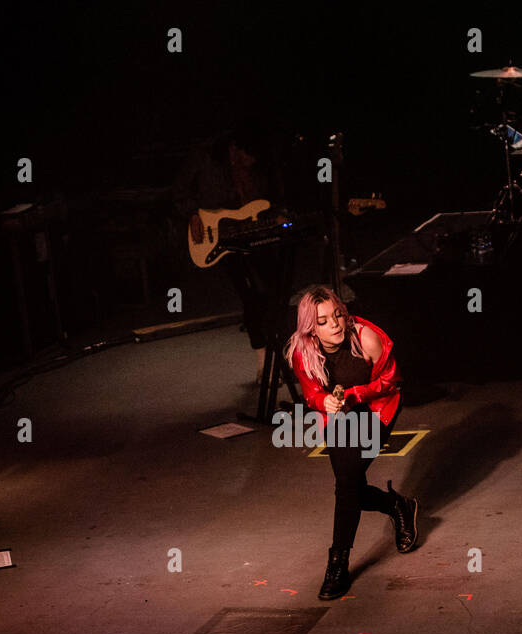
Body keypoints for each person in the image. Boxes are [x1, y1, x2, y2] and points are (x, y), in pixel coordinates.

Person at [284, 286, 418, 600]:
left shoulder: (367, 338)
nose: (335, 324)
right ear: (310, 328)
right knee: (348, 485)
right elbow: (311, 393)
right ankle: (397, 505)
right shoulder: (303, 352)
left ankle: (338, 563)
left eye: (338, 315)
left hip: (376, 408)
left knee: (346, 486)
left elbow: (392, 381)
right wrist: (322, 401)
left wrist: (356, 395)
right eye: (323, 321)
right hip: (339, 416)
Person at [172, 124, 295, 387]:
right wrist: (192, 213)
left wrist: (279, 211)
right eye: (248, 157)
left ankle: (285, 358)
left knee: (274, 292)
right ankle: (263, 364)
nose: (252, 164)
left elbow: (273, 195)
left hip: (256, 234)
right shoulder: (205, 157)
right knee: (250, 296)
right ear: (235, 149)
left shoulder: (263, 165)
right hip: (223, 237)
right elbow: (180, 192)